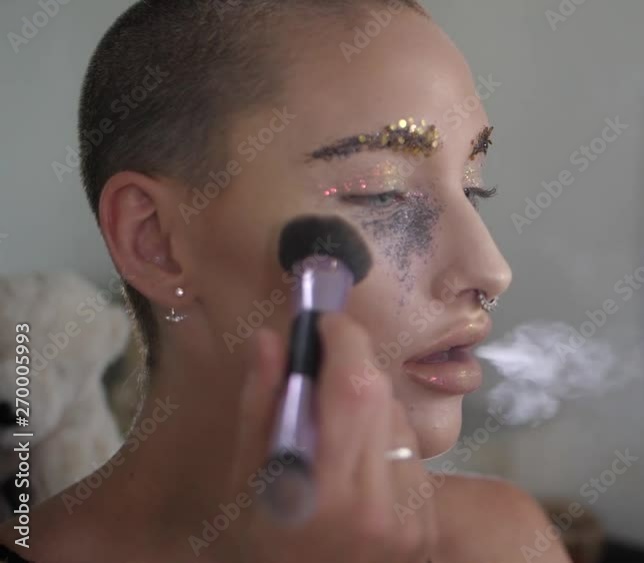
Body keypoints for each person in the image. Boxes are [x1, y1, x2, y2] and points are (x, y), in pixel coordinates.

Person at [0, 1, 571, 561]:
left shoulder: (495, 541)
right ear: (156, 241)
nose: (491, 270)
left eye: (474, 190)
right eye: (381, 192)